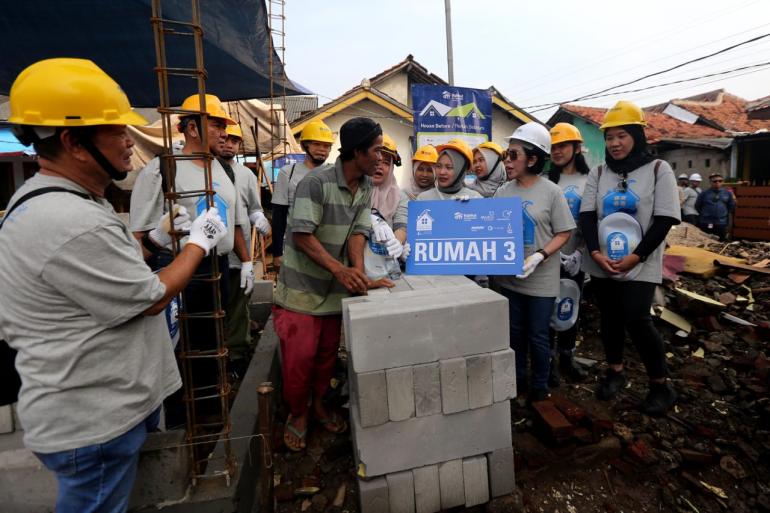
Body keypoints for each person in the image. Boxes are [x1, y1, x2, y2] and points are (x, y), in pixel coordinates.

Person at [0, 58, 227, 513]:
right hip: (93, 422)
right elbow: (150, 297)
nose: (128, 141)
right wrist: (198, 244)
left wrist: (154, 241)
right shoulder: (71, 220)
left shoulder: (58, 201)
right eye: (117, 131)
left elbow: (105, 275)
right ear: (74, 142)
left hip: (95, 407)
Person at [273, 117, 393, 451]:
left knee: (326, 357)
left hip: (332, 291)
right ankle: (298, 413)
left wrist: (358, 274)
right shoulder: (316, 183)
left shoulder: (365, 186)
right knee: (299, 361)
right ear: (357, 152)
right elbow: (302, 235)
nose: (381, 157)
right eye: (376, 150)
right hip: (301, 290)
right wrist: (341, 271)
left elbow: (358, 231)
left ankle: (319, 405)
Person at [130, 93, 250, 427]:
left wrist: (246, 260)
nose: (224, 133)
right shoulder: (164, 169)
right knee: (184, 346)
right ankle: (183, 419)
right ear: (192, 128)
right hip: (180, 269)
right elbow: (139, 234)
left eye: (225, 126)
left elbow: (233, 221)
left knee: (214, 340)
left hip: (217, 267)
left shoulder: (223, 168)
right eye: (216, 124)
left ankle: (212, 410)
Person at [579, 100, 681, 416]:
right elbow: (587, 216)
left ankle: (661, 386)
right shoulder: (599, 172)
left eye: (622, 136)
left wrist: (637, 257)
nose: (615, 143)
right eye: (609, 137)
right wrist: (595, 253)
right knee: (609, 317)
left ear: (637, 135)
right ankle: (616, 371)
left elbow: (665, 219)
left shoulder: (658, 169)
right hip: (603, 261)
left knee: (637, 319)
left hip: (641, 262)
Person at [493, 122, 575, 403]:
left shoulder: (551, 192)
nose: (507, 161)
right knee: (514, 333)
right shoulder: (503, 191)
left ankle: (540, 385)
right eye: (506, 154)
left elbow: (564, 232)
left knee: (538, 335)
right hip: (510, 278)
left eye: (513, 155)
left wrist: (541, 254)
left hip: (541, 281)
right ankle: (517, 380)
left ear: (532, 159)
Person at [219, 123, 271, 370]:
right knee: (214, 306)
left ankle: (237, 353)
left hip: (240, 255)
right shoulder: (206, 171)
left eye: (235, 141)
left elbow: (254, 207)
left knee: (240, 304)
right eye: (226, 139)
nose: (229, 144)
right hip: (211, 252)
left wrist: (259, 218)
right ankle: (215, 352)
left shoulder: (246, 175)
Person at [546, 123, 590, 385]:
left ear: (576, 148)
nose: (557, 151)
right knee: (547, 309)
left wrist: (581, 253)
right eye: (553, 147)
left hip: (576, 257)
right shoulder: (547, 180)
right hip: (548, 257)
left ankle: (567, 356)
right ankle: (548, 362)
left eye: (562, 145)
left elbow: (592, 221)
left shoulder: (590, 180)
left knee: (570, 306)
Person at [271, 120, 334, 271]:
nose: (322, 150)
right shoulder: (288, 172)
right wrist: (277, 253)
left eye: (326, 146)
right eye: (316, 144)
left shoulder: (334, 174)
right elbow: (279, 214)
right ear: (305, 145)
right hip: (295, 247)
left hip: (327, 249)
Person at [366, 134, 409, 279]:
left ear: (391, 167)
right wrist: (368, 218)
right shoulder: (356, 190)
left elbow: (401, 225)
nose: (380, 166)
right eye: (377, 160)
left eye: (386, 162)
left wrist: (397, 242)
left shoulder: (400, 196)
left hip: (387, 266)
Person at [417, 138, 483, 201]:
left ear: (461, 171)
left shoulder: (475, 199)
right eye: (438, 166)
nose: (442, 172)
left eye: (449, 167)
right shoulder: (423, 199)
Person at [695, 173, 735, 240]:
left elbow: (731, 206)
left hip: (721, 223)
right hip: (706, 222)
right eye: (715, 181)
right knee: (706, 240)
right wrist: (706, 214)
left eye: (720, 181)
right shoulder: (704, 194)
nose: (717, 182)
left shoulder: (727, 193)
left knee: (720, 241)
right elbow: (697, 206)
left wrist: (723, 214)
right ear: (710, 182)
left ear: (722, 182)